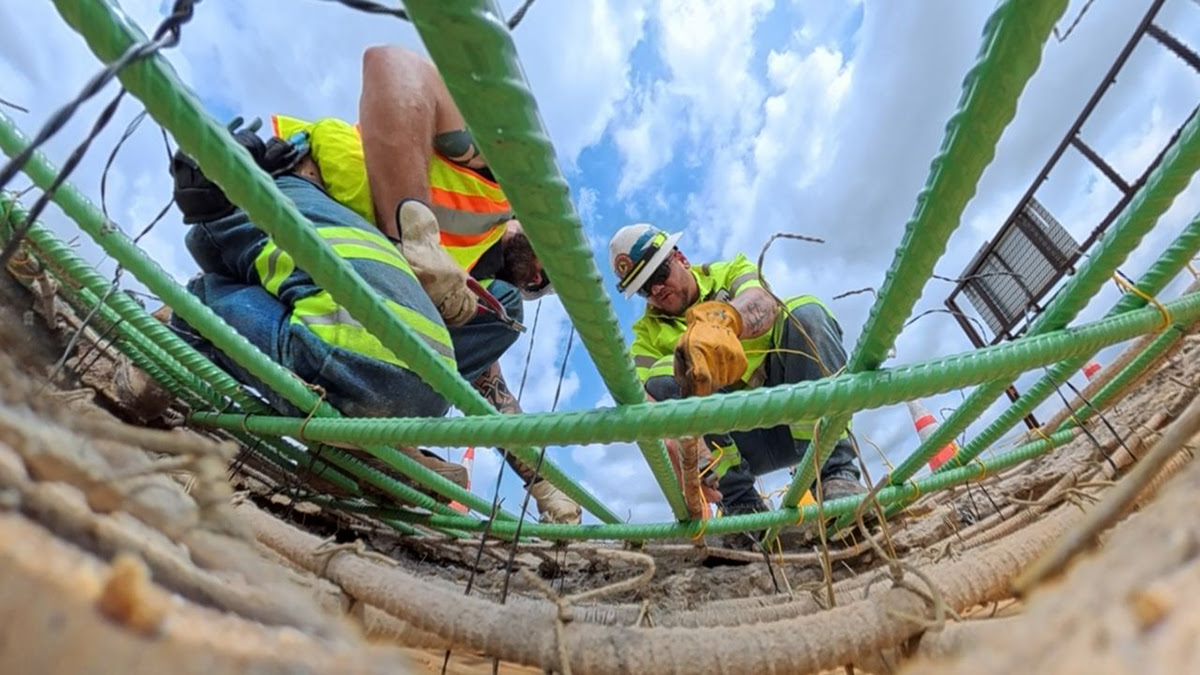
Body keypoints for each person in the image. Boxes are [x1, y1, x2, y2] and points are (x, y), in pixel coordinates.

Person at [168, 46, 579, 523]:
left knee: (483, 334)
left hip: (317, 275)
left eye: (539, 287)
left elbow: (491, 397)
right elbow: (392, 64)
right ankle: (201, 309)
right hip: (278, 197)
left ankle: (378, 435)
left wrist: (544, 486)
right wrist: (414, 234)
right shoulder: (501, 181)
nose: (534, 280)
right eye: (546, 270)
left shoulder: (476, 284)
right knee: (401, 377)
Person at [608, 223, 866, 522]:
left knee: (806, 312)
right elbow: (638, 398)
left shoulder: (731, 272)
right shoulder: (645, 337)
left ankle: (835, 476)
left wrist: (722, 325)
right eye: (643, 288)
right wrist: (671, 435)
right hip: (734, 449)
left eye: (658, 275)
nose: (655, 289)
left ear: (680, 258)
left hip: (798, 417)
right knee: (664, 375)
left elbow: (763, 303)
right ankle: (741, 508)